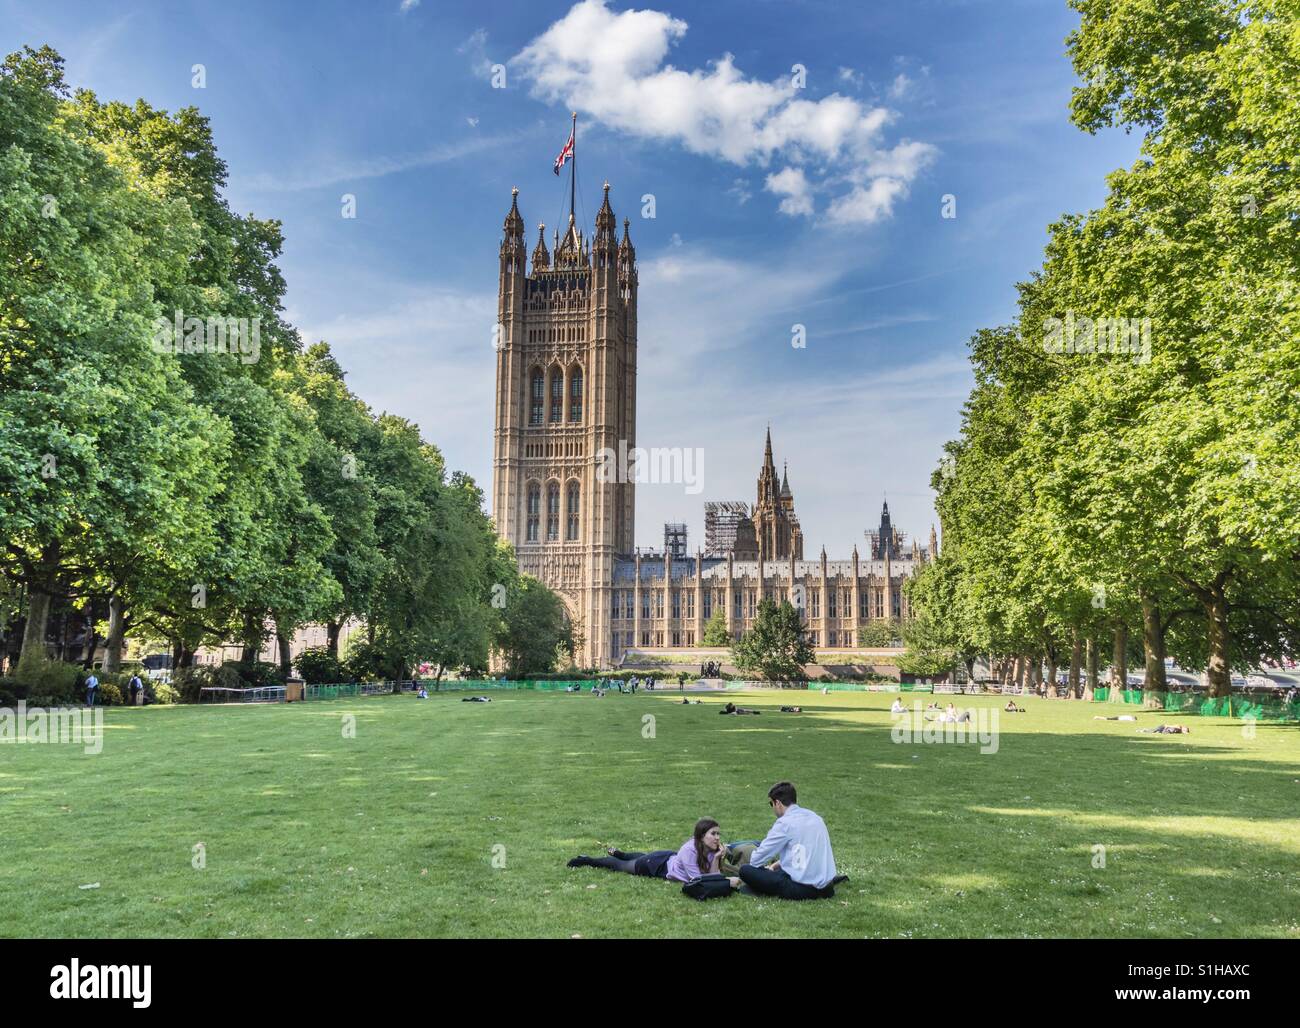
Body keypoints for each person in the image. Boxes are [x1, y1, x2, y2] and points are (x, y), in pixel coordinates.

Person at [735, 782, 838, 900]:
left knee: (745, 870)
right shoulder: (815, 817)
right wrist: (775, 866)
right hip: (827, 887)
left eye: (771, 804)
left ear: (777, 803)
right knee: (778, 872)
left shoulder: (785, 823)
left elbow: (756, 860)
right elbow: (803, 854)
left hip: (803, 889)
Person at [567, 818, 727, 883]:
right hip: (657, 866)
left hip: (666, 857)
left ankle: (619, 853)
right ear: (701, 836)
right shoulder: (689, 850)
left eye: (718, 833)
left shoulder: (713, 849)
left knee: (639, 857)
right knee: (622, 866)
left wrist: (717, 858)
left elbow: (714, 876)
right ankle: (587, 859)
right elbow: (698, 880)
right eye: (713, 834)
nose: (717, 837)